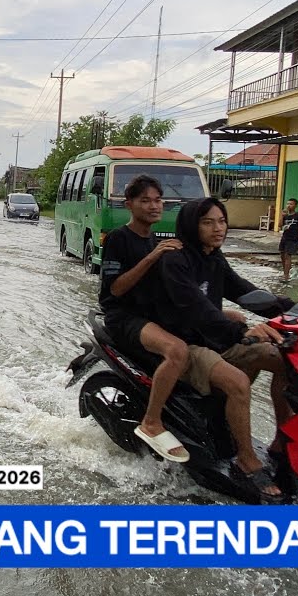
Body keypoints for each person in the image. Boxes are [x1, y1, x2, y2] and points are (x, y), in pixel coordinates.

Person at [154, 197, 294, 499]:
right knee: (238, 383)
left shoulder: (214, 257)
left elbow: (244, 291)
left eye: (222, 221)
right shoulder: (175, 260)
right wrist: (244, 331)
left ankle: (282, 441)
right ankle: (246, 459)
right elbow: (197, 309)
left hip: (214, 338)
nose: (219, 229)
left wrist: (296, 312)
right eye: (208, 222)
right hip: (185, 344)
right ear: (192, 226)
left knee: (283, 360)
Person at [98, 175, 191, 463]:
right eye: (145, 200)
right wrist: (152, 258)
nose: (154, 206)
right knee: (177, 351)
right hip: (123, 317)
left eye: (158, 200)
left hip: (151, 316)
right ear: (129, 205)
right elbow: (116, 288)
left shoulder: (156, 239)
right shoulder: (117, 239)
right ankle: (151, 422)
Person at [278, 198, 298, 282]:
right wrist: (281, 216)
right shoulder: (285, 215)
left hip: (294, 238)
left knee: (287, 255)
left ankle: (286, 276)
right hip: (285, 237)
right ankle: (286, 272)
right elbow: (279, 225)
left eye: (291, 204)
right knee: (282, 255)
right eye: (288, 204)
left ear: (295, 205)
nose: (289, 205)